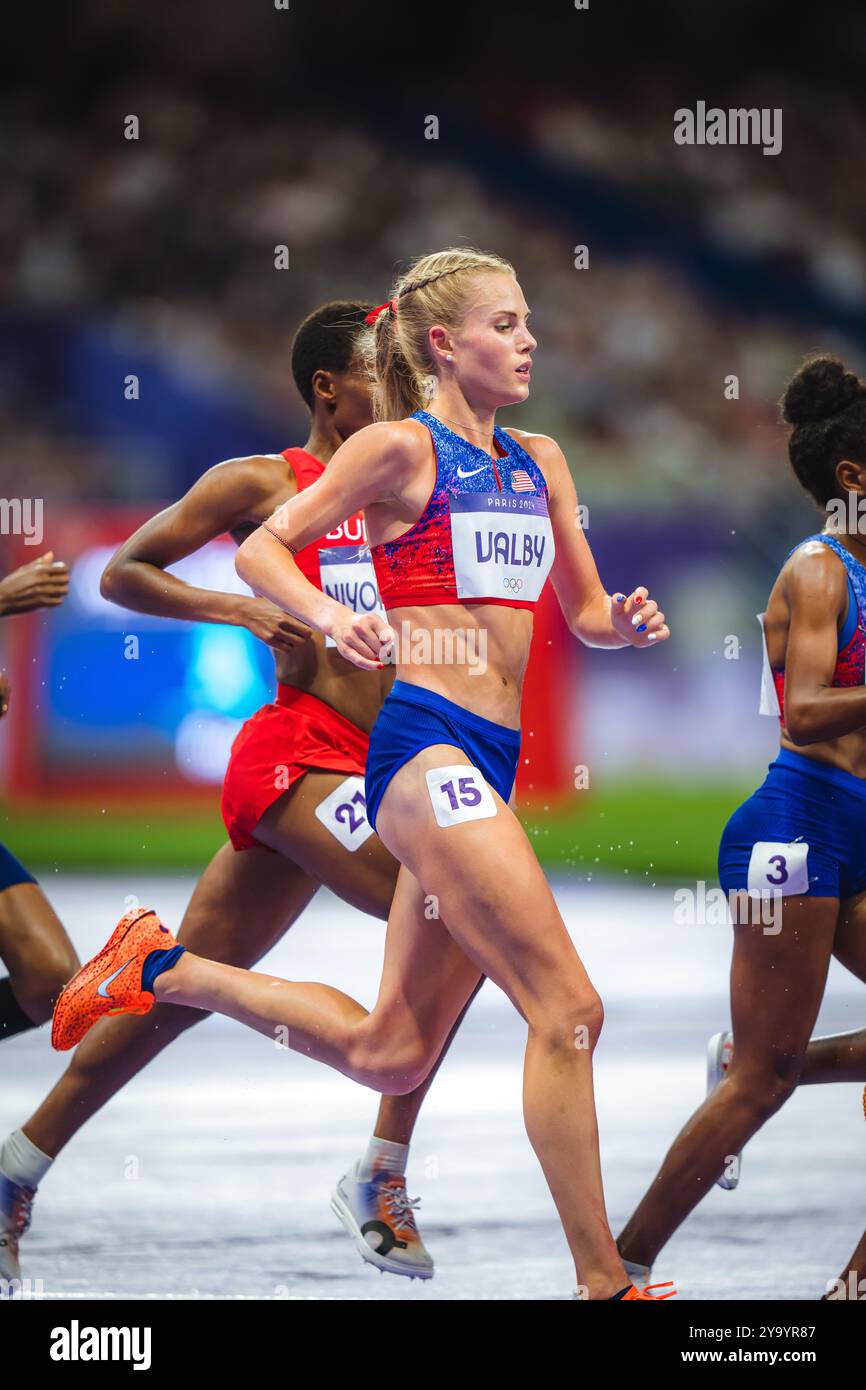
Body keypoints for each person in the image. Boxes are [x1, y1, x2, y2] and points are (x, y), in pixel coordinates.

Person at [53, 246, 672, 1300]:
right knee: (565, 1006)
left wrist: (620, 622)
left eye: (529, 322)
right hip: (422, 747)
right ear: (443, 343)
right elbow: (263, 552)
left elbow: (580, 613)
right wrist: (328, 611)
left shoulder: (543, 460)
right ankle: (601, 1280)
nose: (528, 341)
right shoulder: (394, 449)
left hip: (488, 753)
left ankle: (161, 967)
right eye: (505, 324)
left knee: (391, 1052)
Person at [1, 302, 478, 1287]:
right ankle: (380, 1171)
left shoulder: (411, 481)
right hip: (300, 756)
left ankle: (16, 1165)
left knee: (176, 993)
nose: (401, 394)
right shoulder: (262, 483)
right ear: (325, 389)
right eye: (380, 377)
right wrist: (237, 603)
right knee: (456, 908)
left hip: (388, 755)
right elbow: (127, 571)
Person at [617, 354, 866, 1299]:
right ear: (854, 478)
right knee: (762, 1084)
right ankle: (624, 1267)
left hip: (855, 829)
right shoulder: (817, 570)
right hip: (793, 832)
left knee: (765, 1065)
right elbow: (804, 710)